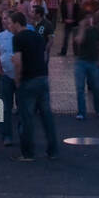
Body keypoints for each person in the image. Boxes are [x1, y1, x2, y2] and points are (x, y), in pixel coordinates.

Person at [9, 11, 59, 160]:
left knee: (27, 117)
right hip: (42, 76)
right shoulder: (37, 35)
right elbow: (44, 53)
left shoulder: (17, 38)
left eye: (11, 24)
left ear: (17, 24)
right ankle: (53, 150)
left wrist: (17, 80)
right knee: (46, 116)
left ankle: (28, 153)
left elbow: (18, 61)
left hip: (28, 79)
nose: (9, 27)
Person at [73, 7, 99, 121]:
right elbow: (79, 41)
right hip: (81, 62)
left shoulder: (95, 30)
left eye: (90, 17)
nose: (89, 20)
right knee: (80, 88)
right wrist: (83, 28)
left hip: (93, 61)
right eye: (86, 18)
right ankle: (81, 112)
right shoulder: (77, 29)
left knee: (97, 87)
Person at [0, 12, 18, 147]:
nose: (6, 22)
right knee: (5, 107)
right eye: (4, 19)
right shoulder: (1, 37)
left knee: (21, 106)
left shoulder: (19, 35)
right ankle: (6, 135)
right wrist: (0, 71)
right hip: (6, 76)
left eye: (8, 19)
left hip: (20, 77)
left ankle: (22, 133)